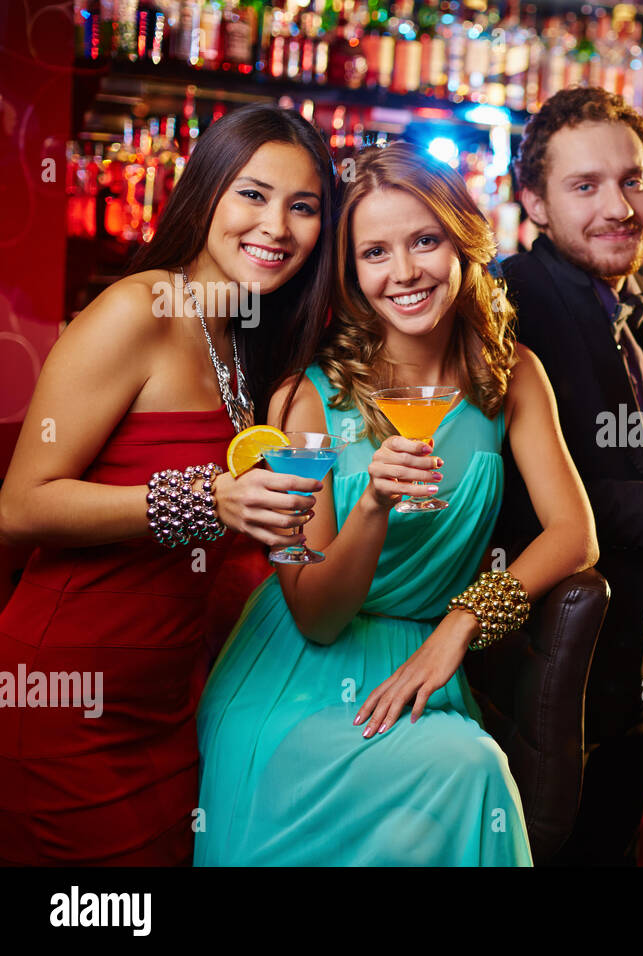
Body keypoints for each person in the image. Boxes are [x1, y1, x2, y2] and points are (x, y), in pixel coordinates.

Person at [194, 141, 597, 866]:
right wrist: (373, 502)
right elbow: (315, 614)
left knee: (467, 767)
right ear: (349, 274)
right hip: (293, 682)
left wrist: (461, 624)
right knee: (467, 767)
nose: (405, 272)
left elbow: (576, 536)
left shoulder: (511, 378)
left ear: (463, 244)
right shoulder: (306, 401)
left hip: (422, 665)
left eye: (424, 240)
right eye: (374, 252)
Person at [0, 103, 335, 865]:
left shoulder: (246, 345)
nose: (276, 226)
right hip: (61, 699)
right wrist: (204, 499)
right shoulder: (138, 309)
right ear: (207, 193)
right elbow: (19, 507)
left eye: (303, 206)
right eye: (253, 194)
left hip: (169, 704)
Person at [498, 86, 643, 865]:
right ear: (532, 201)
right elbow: (518, 487)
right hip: (547, 653)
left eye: (633, 180)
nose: (619, 207)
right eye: (585, 186)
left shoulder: (629, 297)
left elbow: (642, 444)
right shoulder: (511, 299)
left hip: (633, 640)